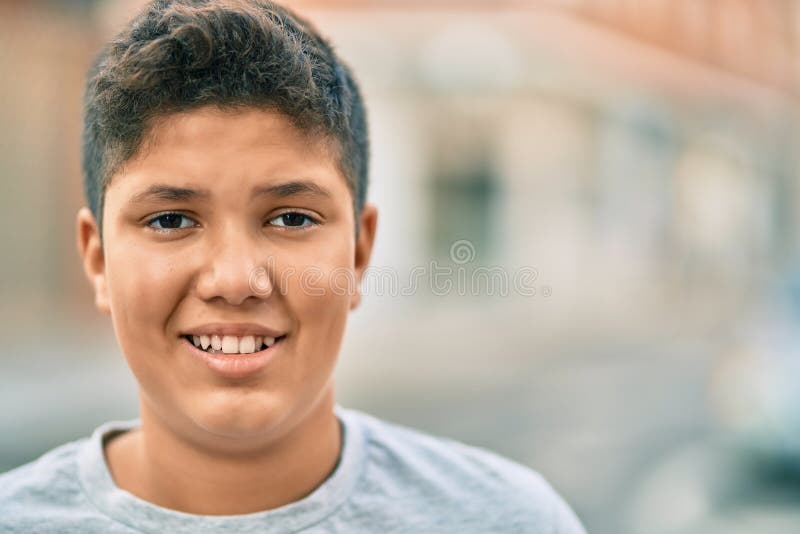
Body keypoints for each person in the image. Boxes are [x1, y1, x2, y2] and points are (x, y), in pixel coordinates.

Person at [0, 1, 586, 532]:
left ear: (358, 253)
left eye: (292, 219)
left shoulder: (509, 520)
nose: (234, 280)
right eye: (171, 221)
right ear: (98, 261)